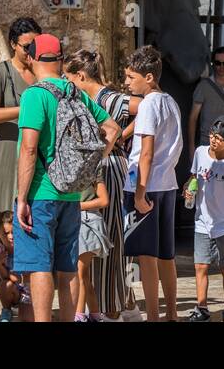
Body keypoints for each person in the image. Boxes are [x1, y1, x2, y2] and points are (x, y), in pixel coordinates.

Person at [14, 34, 119, 322]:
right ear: (60, 60)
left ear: (32, 58)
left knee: (39, 266)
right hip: (71, 194)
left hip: (41, 192)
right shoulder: (76, 93)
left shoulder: (35, 95)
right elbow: (112, 128)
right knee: (67, 268)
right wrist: (91, 162)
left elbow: (29, 147)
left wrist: (22, 198)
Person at [66, 49, 140, 320]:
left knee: (110, 238)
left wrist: (121, 136)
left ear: (81, 75)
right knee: (99, 240)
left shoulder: (110, 98)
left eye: (69, 76)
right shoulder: (85, 99)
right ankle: (116, 303)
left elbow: (145, 107)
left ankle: (112, 307)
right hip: (99, 168)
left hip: (109, 170)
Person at [0, 17, 39, 320]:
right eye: (28, 45)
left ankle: (22, 291)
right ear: (14, 44)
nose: (32, 51)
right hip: (2, 155)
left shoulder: (41, 74)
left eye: (36, 45)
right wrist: (28, 107)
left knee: (24, 224)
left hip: (31, 158)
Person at [122, 45, 183, 322]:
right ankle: (171, 313)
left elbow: (146, 152)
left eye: (131, 77)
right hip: (167, 183)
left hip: (147, 185)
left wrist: (139, 193)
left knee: (146, 256)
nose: (126, 82)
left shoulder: (146, 104)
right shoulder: (170, 102)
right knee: (165, 255)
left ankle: (153, 317)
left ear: (148, 77)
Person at [185, 115, 224, 322]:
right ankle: (201, 307)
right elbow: (193, 179)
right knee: (200, 266)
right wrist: (188, 190)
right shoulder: (200, 153)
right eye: (212, 135)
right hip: (202, 221)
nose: (213, 140)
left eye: (218, 138)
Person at [75, 171, 109, 322]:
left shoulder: (94, 169)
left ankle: (79, 316)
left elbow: (103, 200)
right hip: (76, 223)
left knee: (80, 273)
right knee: (84, 275)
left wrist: (77, 206)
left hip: (88, 223)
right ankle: (95, 315)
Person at [0, 210, 30, 322]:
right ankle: (6, 311)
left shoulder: (24, 249)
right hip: (15, 292)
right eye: (6, 233)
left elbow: (20, 278)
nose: (11, 237)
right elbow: (4, 279)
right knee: (3, 285)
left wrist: (12, 276)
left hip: (29, 293)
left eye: (14, 232)